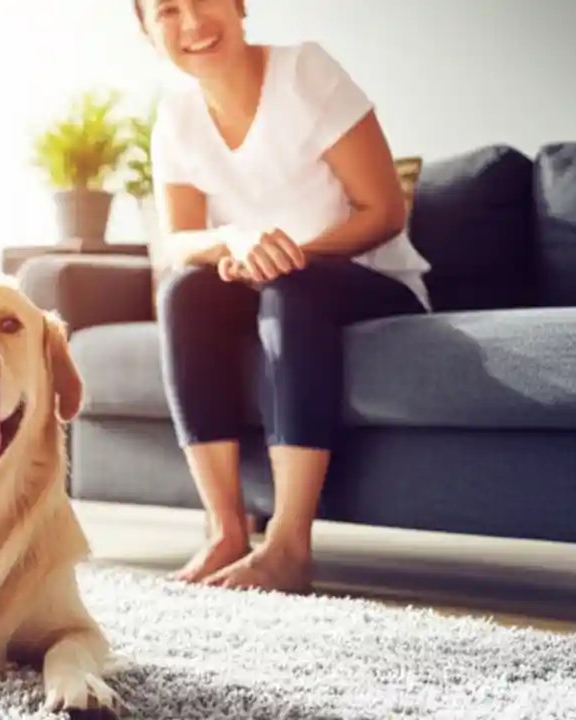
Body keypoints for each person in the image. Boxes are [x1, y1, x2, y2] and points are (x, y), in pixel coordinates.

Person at [134, 0, 433, 593]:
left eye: (205, 1)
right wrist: (232, 238)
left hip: (371, 282)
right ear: (148, 33)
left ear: (240, 6)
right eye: (167, 10)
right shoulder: (176, 119)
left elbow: (385, 212)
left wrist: (291, 256)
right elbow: (180, 242)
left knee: (291, 289)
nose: (192, 23)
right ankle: (226, 531)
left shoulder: (305, 75)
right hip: (272, 286)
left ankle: (290, 545)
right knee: (185, 293)